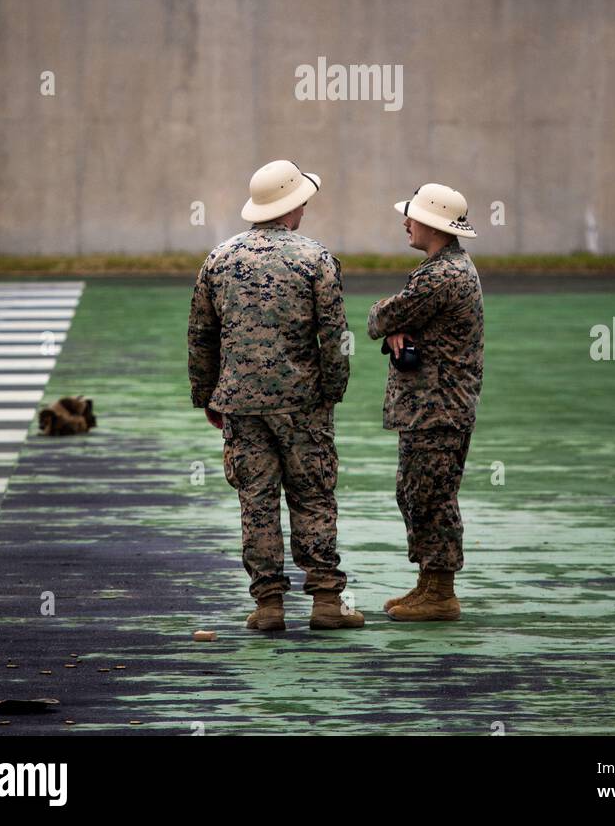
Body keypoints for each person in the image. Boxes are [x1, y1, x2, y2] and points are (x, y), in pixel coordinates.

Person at [187, 159, 364, 632]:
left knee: (257, 500)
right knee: (313, 495)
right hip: (303, 402)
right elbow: (335, 337)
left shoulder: (219, 259)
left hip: (240, 406)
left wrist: (207, 396)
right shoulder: (316, 259)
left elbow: (201, 336)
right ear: (293, 206)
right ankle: (326, 600)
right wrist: (331, 391)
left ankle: (268, 606)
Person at [367, 183, 484, 622]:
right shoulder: (445, 269)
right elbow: (398, 320)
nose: (405, 223)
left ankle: (441, 593)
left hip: (437, 407)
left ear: (432, 224)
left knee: (431, 496)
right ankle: (429, 585)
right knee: (417, 491)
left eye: (411, 216)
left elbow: (381, 317)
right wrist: (400, 325)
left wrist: (391, 320)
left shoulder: (441, 275)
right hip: (432, 406)